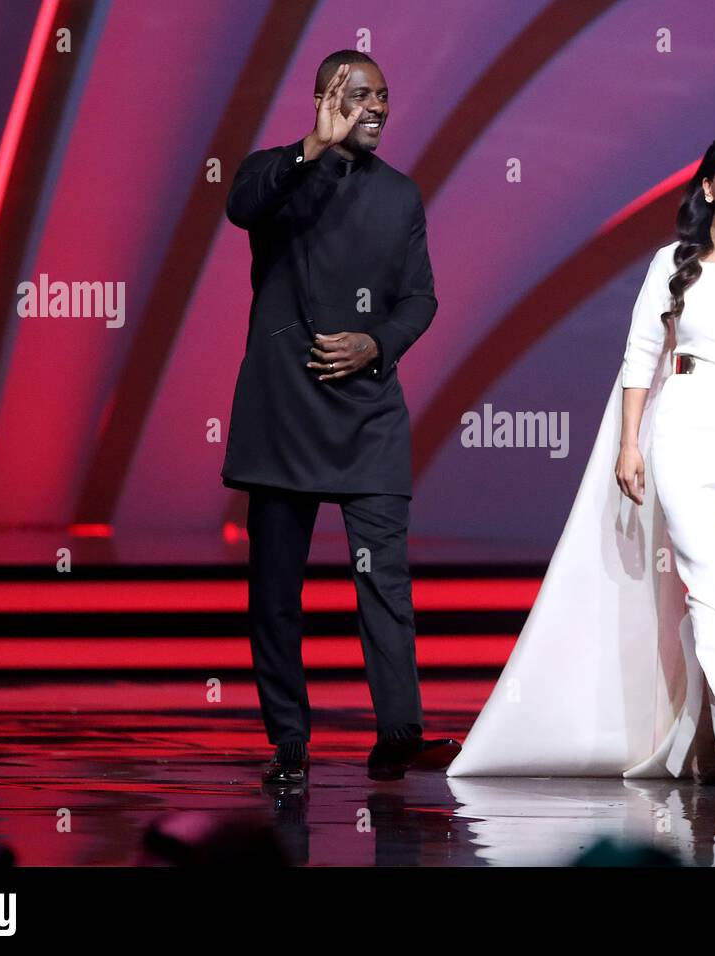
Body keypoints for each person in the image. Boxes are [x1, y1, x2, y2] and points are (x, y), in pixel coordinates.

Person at [446, 134, 715, 783]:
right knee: (704, 576)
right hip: (684, 425)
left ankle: (701, 736)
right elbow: (640, 356)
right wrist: (627, 443)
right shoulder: (673, 262)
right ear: (707, 188)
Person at [221, 50, 460, 786]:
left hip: (367, 414)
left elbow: (419, 297)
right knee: (276, 589)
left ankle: (398, 734)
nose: (378, 108)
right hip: (284, 413)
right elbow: (242, 208)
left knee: (384, 579)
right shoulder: (280, 173)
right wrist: (310, 149)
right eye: (361, 96)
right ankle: (289, 739)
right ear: (327, 98)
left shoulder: (399, 194)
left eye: (385, 95)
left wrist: (375, 343)